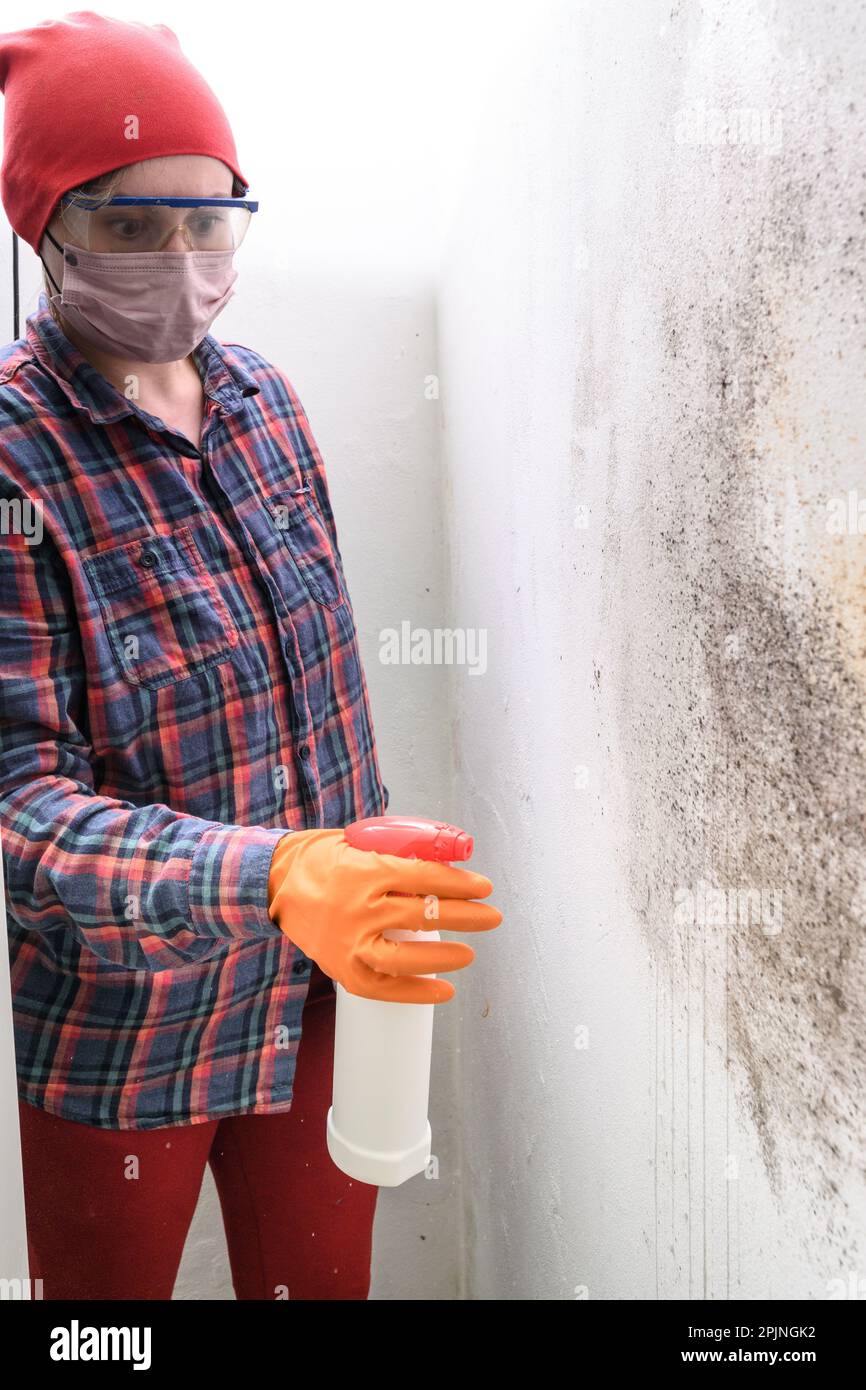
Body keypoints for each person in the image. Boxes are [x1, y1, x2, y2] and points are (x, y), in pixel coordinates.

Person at [0, 13, 502, 1301]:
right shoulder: (13, 460)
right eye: (130, 223)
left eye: (210, 219)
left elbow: (323, 691)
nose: (179, 259)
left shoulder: (266, 403)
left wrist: (370, 867)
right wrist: (278, 876)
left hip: (327, 988)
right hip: (128, 1027)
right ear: (45, 227)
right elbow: (21, 811)